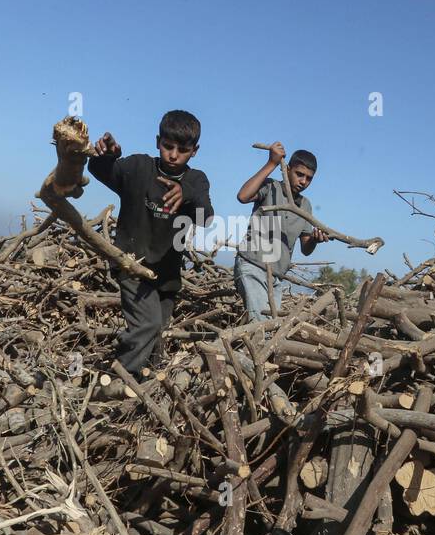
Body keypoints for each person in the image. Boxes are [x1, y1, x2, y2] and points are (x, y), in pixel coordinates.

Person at [87, 110, 214, 374]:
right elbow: (98, 170)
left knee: (158, 334)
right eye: (168, 146)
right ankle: (117, 381)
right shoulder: (137, 168)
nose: (174, 154)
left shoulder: (196, 181)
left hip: (166, 277)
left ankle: (145, 390)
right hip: (132, 265)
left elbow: (205, 218)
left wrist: (186, 194)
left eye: (183, 149)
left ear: (195, 151)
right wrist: (108, 156)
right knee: (147, 325)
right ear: (158, 142)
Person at [233, 142, 328, 321]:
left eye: (309, 178)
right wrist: (272, 163)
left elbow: (305, 249)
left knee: (268, 329)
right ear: (288, 169)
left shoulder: (305, 206)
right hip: (253, 266)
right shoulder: (270, 187)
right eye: (299, 174)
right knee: (262, 328)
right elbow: (242, 196)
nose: (303, 182)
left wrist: (315, 239)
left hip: (277, 277)